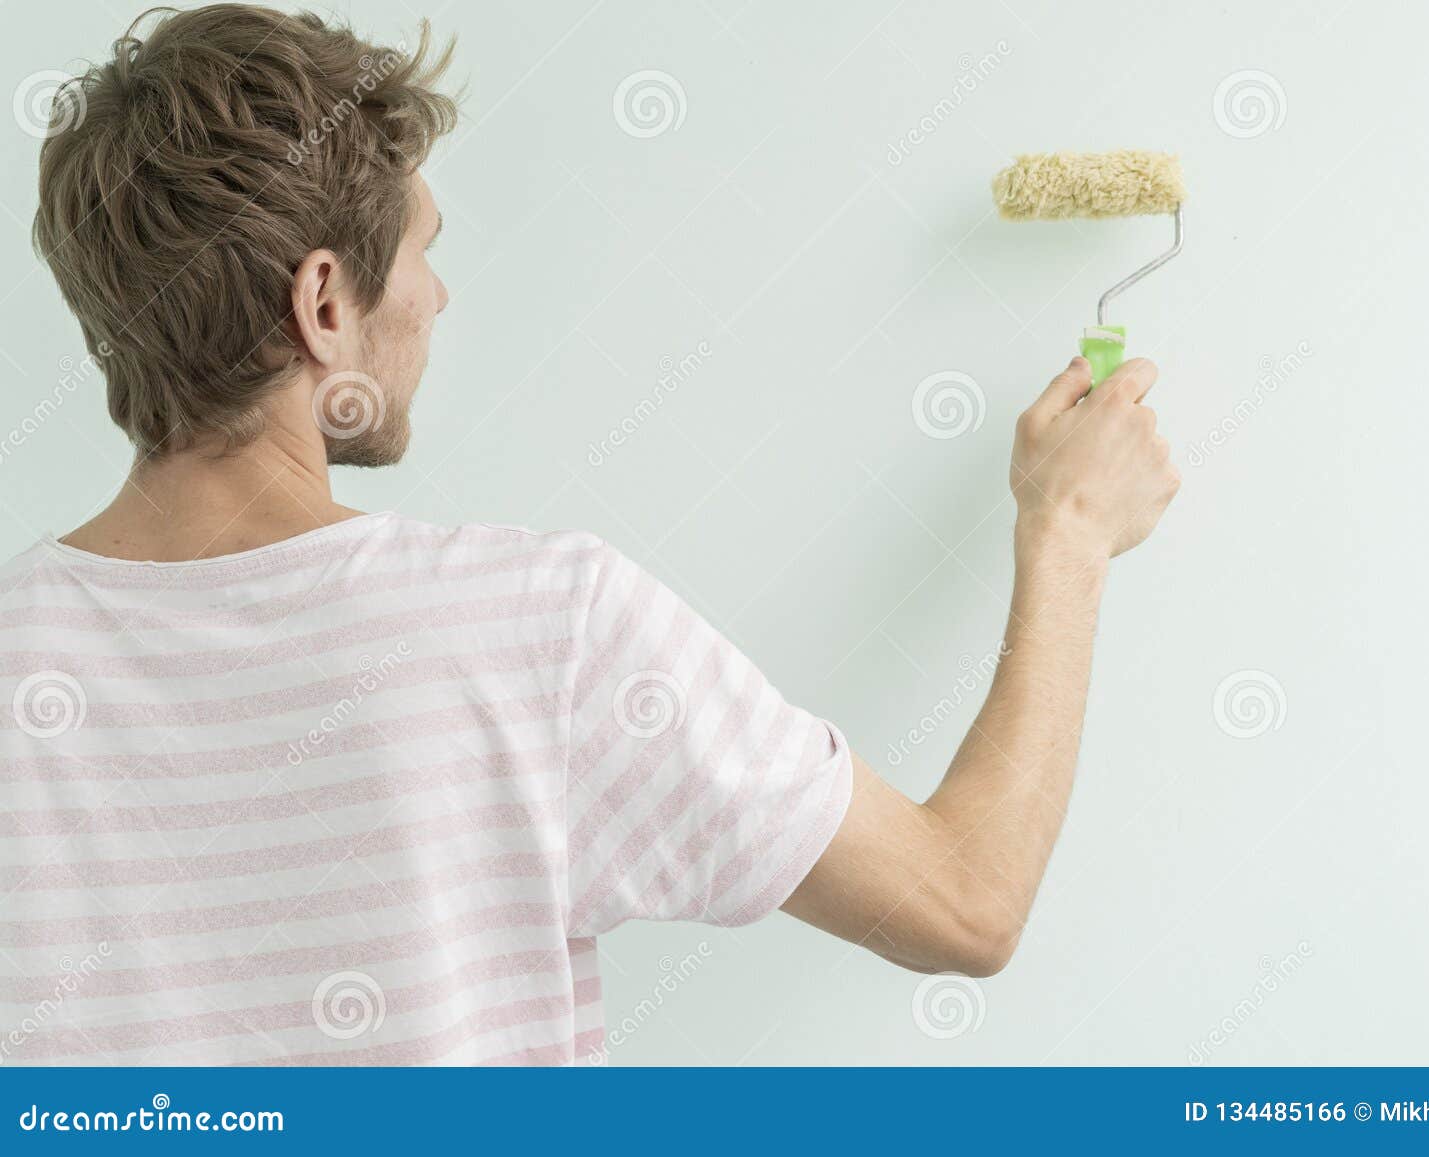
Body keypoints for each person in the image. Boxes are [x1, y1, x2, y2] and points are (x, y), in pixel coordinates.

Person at [1, 4, 1179, 1065]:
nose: (438, 296)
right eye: (422, 248)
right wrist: (1067, 533)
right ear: (323, 303)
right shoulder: (537, 626)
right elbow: (966, 903)